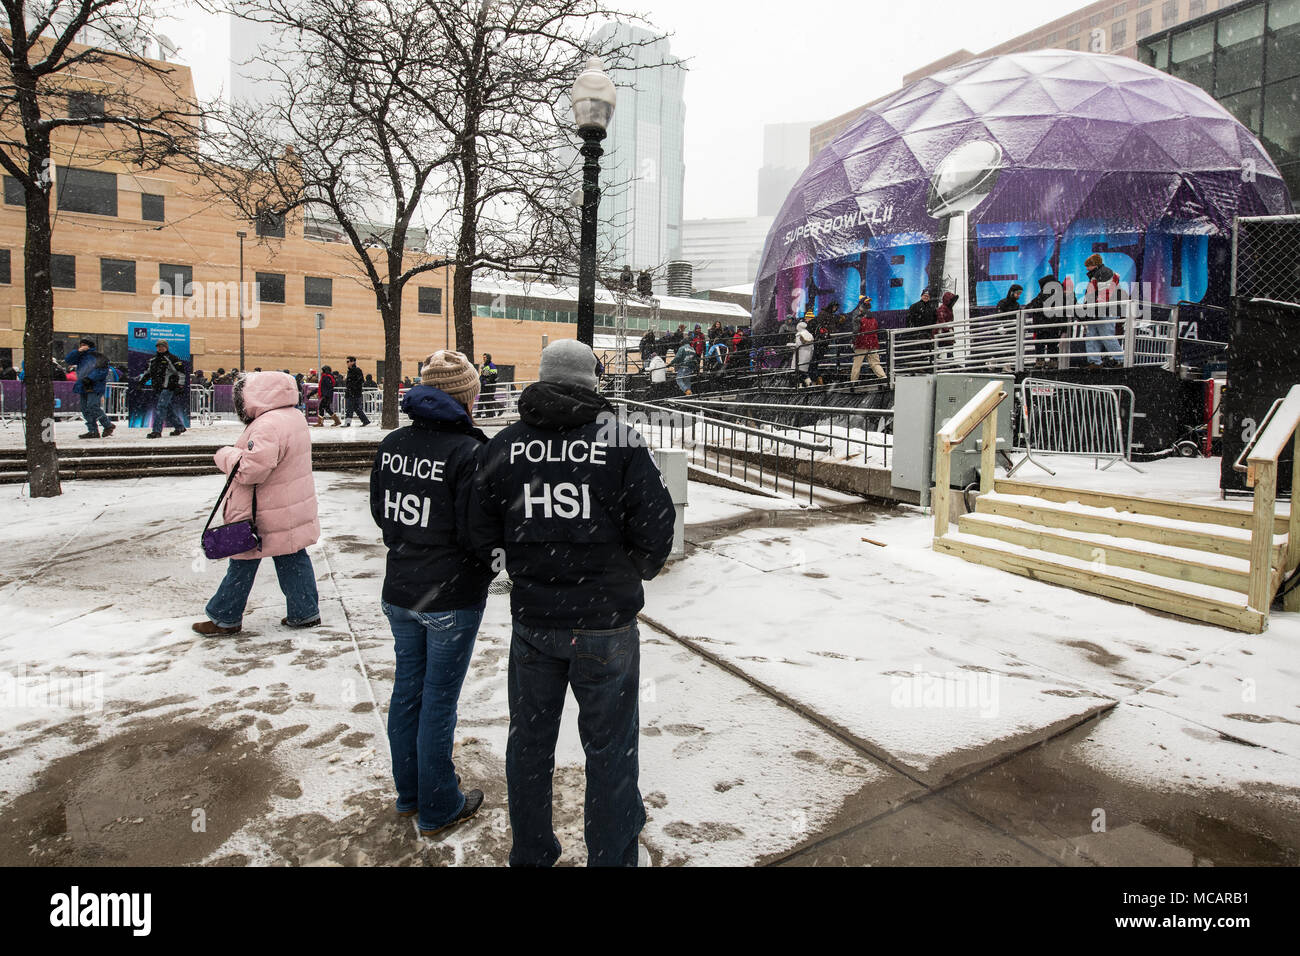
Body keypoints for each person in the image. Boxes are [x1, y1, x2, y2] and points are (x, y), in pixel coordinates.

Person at [468, 339, 675, 867]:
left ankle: (532, 853)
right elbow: (655, 528)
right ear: (591, 381)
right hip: (605, 625)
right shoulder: (619, 441)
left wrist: (519, 572)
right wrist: (626, 574)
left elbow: (480, 529)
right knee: (610, 753)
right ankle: (611, 857)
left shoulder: (507, 444)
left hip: (535, 623)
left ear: (541, 378)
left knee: (530, 746)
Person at [371, 350, 494, 837]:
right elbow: (477, 533)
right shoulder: (468, 451)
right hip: (448, 596)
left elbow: (383, 514)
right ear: (466, 397)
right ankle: (440, 805)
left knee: (408, 691)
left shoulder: (393, 442)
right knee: (438, 700)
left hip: (401, 588)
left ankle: (410, 794)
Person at [192, 372, 321, 636]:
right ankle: (305, 611)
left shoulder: (267, 424)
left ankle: (225, 618)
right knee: (292, 556)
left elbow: (252, 470)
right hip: (288, 505)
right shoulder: (293, 416)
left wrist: (225, 454)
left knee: (243, 559)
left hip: (262, 510)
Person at [66, 338, 114, 439]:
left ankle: (107, 425)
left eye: (84, 344)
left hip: (94, 385)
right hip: (83, 385)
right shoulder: (80, 356)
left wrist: (90, 378)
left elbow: (103, 371)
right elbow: (68, 360)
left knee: (92, 406)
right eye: (80, 345)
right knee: (85, 409)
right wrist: (77, 351)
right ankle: (93, 431)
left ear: (89, 346)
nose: (81, 346)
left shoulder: (99, 356)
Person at [138, 340, 186, 438]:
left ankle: (157, 431)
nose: (160, 348)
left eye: (162, 346)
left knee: (161, 407)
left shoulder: (172, 358)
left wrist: (180, 385)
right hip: (158, 388)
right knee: (167, 408)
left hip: (168, 387)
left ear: (166, 347)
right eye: (158, 346)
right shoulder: (153, 360)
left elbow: (181, 372)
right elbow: (148, 373)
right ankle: (179, 426)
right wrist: (141, 383)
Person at [1082, 253, 1123, 366]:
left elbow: (1105, 294)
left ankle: (1119, 359)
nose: (1086, 268)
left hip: (1104, 310)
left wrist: (1091, 308)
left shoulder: (1103, 273)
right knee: (1094, 336)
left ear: (1094, 265)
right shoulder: (1101, 274)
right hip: (1100, 309)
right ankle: (1096, 361)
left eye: (1088, 265)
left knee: (1103, 335)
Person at [1025, 275, 1069, 366]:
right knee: (1052, 344)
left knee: (1040, 344)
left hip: (1042, 324)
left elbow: (1031, 306)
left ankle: (1040, 361)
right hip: (1055, 325)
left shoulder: (1043, 294)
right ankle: (1053, 362)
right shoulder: (1061, 293)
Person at [850, 296, 886, 382]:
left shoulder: (858, 316)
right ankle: (883, 378)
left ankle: (853, 382)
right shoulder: (873, 317)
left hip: (861, 343)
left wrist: (853, 341)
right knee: (875, 363)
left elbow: (856, 330)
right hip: (873, 343)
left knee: (857, 364)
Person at [342, 356, 370, 427]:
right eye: (347, 362)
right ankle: (365, 420)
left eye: (348, 361)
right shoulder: (350, 371)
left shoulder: (357, 370)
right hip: (351, 393)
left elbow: (360, 381)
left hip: (354, 393)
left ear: (353, 362)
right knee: (356, 409)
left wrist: (353, 388)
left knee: (350, 408)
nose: (347, 363)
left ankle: (348, 423)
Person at [935, 292, 958, 368]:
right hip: (943, 333)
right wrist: (948, 329)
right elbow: (941, 320)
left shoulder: (948, 308)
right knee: (941, 348)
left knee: (947, 348)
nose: (953, 303)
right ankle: (942, 363)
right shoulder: (943, 308)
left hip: (946, 333)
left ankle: (949, 362)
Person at [792, 317, 815, 386]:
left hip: (800, 355)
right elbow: (812, 347)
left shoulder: (799, 335)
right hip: (807, 355)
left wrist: (790, 345)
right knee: (804, 371)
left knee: (797, 371)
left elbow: (797, 345)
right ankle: (809, 382)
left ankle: (800, 386)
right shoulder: (810, 335)